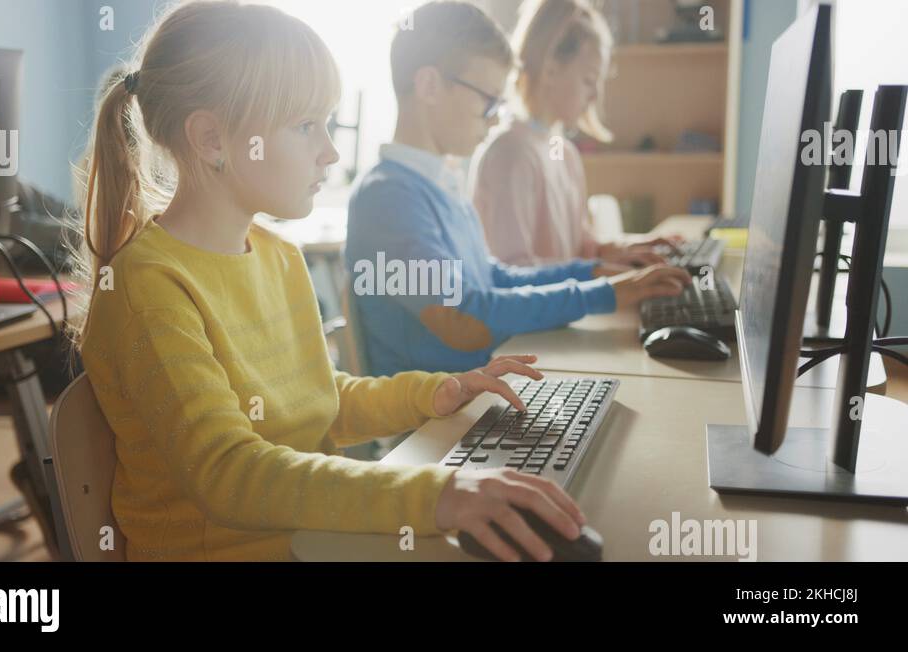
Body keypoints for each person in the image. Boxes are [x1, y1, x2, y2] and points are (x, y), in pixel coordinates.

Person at [69, 0, 585, 563]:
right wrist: (438, 494)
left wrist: (438, 390)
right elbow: (228, 473)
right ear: (212, 140)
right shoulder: (150, 286)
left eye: (328, 123)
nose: (331, 151)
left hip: (312, 542)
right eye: (306, 125)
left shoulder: (279, 258)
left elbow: (322, 400)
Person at [345, 1, 689, 377]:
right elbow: (465, 320)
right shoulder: (388, 199)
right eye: (488, 99)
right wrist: (602, 294)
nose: (495, 116)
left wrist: (595, 274)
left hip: (478, 386)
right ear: (429, 85)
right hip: (434, 420)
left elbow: (496, 278)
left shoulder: (440, 183)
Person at [471, 0, 680, 268]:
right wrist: (600, 274)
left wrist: (625, 248)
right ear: (550, 69)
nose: (595, 96)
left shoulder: (562, 150)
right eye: (589, 81)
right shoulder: (510, 154)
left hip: (568, 306)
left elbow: (579, 247)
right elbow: (513, 270)